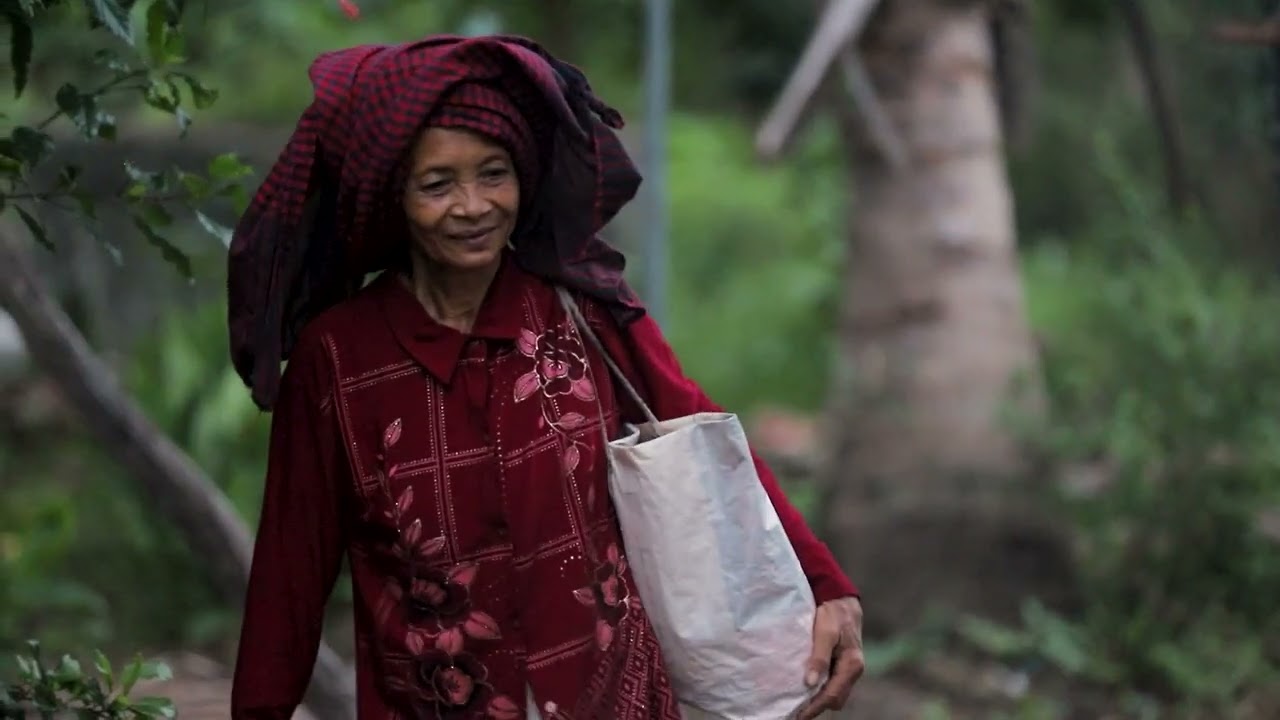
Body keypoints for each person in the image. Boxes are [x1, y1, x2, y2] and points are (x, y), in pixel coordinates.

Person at [226, 35, 863, 720]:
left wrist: (826, 586)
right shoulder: (339, 359)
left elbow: (702, 437)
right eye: (437, 184)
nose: (473, 206)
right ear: (393, 201)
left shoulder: (577, 308)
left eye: (493, 173)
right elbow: (290, 576)